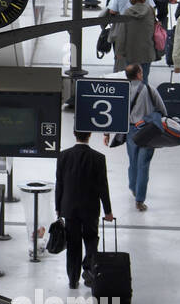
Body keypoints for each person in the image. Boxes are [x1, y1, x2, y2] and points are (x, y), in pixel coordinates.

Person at [54, 130, 114, 290]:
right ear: (90, 135)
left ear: (74, 134)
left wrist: (58, 207)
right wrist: (108, 210)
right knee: (91, 239)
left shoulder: (63, 156)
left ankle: (73, 280)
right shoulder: (99, 158)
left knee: (73, 244)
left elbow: (59, 184)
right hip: (90, 208)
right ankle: (89, 270)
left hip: (69, 208)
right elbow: (103, 187)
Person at [106, 64, 166, 212]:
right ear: (139, 74)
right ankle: (140, 200)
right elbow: (163, 110)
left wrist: (107, 133)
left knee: (133, 160)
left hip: (131, 130)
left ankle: (133, 187)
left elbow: (113, 113)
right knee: (143, 164)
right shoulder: (150, 89)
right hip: (148, 131)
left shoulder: (122, 90)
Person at [111, 0, 155, 77]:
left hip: (131, 51)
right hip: (147, 50)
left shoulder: (127, 12)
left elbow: (122, 34)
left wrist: (119, 52)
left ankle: (133, 90)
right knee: (144, 77)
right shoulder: (150, 11)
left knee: (131, 77)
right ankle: (143, 90)